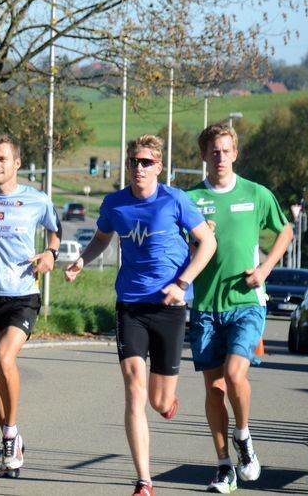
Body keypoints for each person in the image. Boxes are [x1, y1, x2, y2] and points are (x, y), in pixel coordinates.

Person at [65, 134, 216, 496]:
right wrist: (82, 261)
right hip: (130, 305)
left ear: (159, 167)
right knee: (134, 390)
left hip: (170, 306)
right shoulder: (115, 204)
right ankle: (144, 481)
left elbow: (207, 243)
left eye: (146, 162)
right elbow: (102, 237)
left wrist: (182, 283)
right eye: (134, 161)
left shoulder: (175, 200)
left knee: (158, 400)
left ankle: (166, 402)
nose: (139, 168)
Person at [185, 123, 293, 493]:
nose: (220, 157)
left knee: (234, 374)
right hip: (204, 306)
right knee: (214, 389)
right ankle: (223, 467)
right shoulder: (191, 198)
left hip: (246, 303)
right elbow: (180, 248)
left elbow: (285, 231)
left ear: (236, 153)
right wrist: (196, 236)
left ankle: (243, 437)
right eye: (213, 151)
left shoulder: (255, 193)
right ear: (203, 155)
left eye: (226, 150)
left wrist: (264, 268)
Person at [0, 134, 60, 478]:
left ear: (17, 163)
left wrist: (50, 254)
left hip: (22, 296)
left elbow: (56, 231)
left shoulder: (37, 200)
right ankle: (9, 434)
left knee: (4, 358)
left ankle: (10, 436)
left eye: (2, 159)